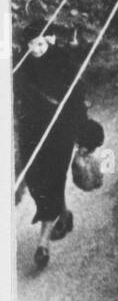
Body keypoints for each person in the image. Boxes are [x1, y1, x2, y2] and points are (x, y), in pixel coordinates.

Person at [16, 23, 105, 271]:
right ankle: (63, 216)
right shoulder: (20, 69)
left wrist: (83, 135)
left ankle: (43, 244)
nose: (36, 48)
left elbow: (77, 99)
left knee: (52, 179)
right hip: (32, 130)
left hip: (59, 131)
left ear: (50, 41)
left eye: (41, 43)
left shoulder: (62, 62)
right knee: (35, 178)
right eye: (32, 44)